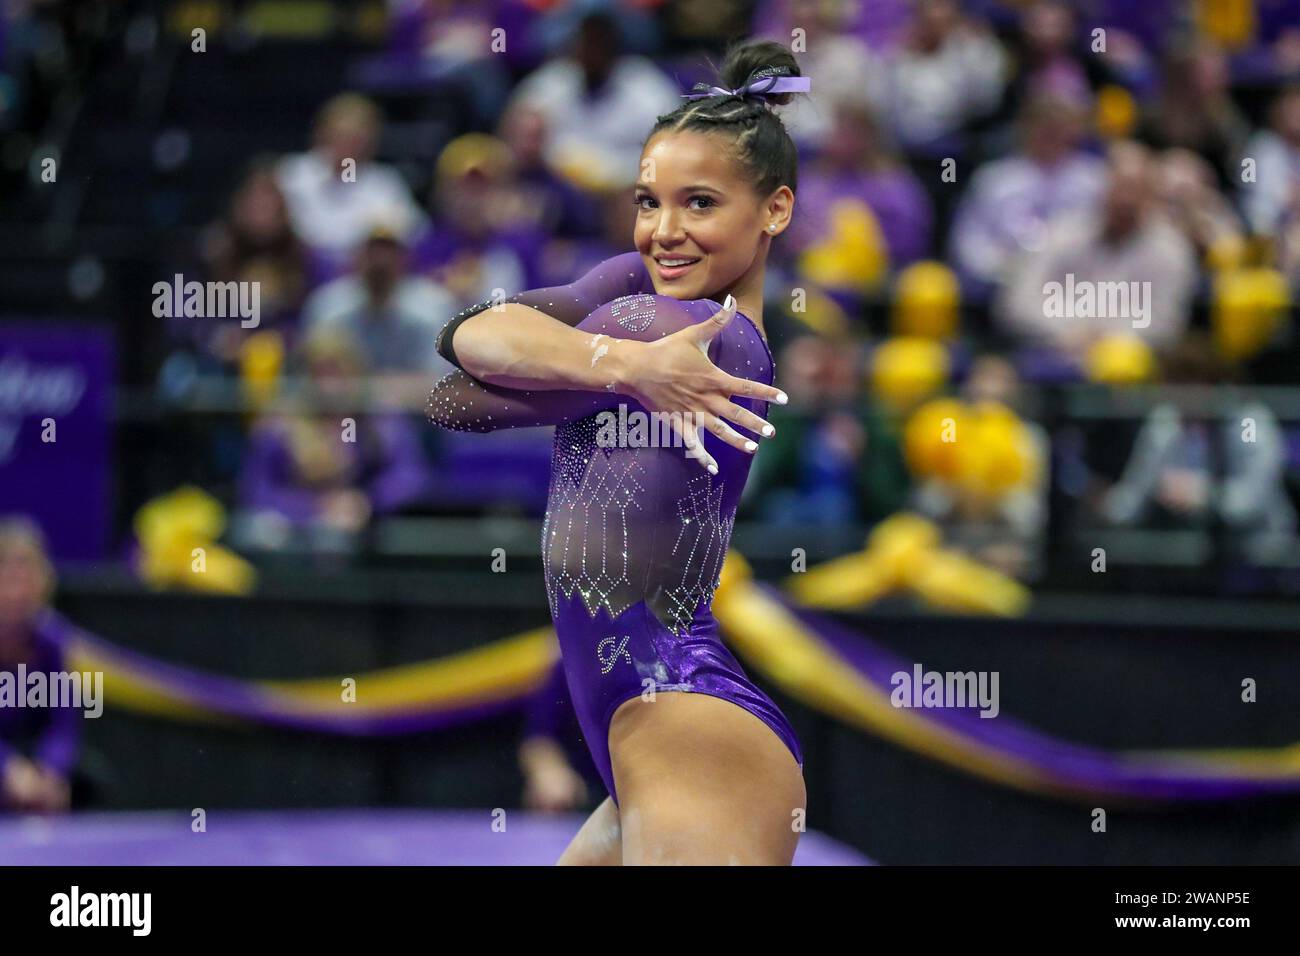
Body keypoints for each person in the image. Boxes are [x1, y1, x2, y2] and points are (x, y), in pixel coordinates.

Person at [428, 40, 807, 865]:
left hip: (687, 723)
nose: (663, 234)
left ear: (773, 211)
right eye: (648, 202)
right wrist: (628, 371)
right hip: (644, 731)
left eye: (699, 204)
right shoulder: (638, 320)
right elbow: (461, 358)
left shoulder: (693, 333)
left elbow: (468, 378)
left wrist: (599, 358)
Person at [0, 519, 86, 814]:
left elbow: (63, 725)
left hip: (28, 768)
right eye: (8, 575)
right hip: (8, 767)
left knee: (86, 783)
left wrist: (51, 770)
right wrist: (8, 769)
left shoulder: (52, 641)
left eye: (27, 574)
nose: (17, 590)